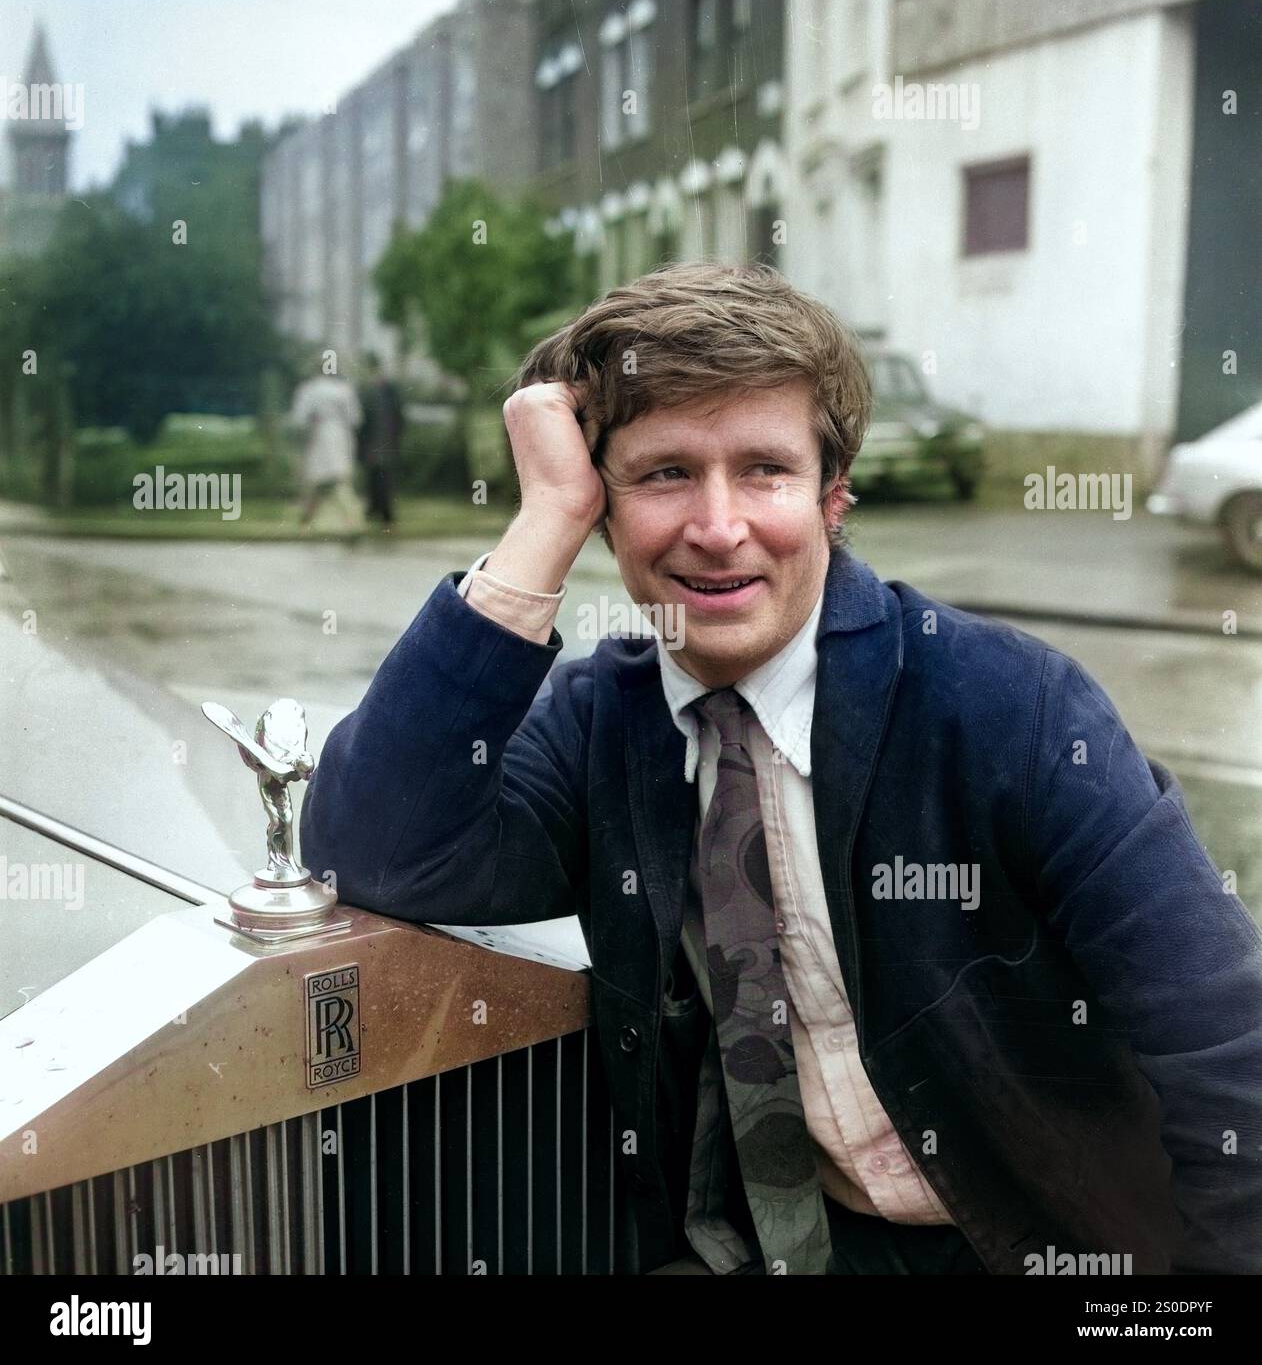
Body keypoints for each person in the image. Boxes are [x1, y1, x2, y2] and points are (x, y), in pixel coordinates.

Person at [299, 261, 1262, 1276]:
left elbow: (1229, 1051)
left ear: (832, 496)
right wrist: (542, 520)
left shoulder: (1012, 709)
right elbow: (375, 848)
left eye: (764, 469)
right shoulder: (599, 724)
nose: (719, 530)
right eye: (663, 474)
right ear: (602, 509)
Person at [288, 355, 364, 532]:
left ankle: (310, 521)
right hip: (341, 436)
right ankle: (345, 519)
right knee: (335, 479)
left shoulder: (309, 389)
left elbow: (299, 418)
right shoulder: (344, 389)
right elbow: (355, 418)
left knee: (321, 480)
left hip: (319, 436)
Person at [355, 351, 405, 531]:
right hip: (385, 442)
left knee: (378, 480)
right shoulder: (388, 392)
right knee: (380, 479)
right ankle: (380, 512)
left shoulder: (371, 392)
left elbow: (363, 421)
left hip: (376, 444)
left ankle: (382, 513)